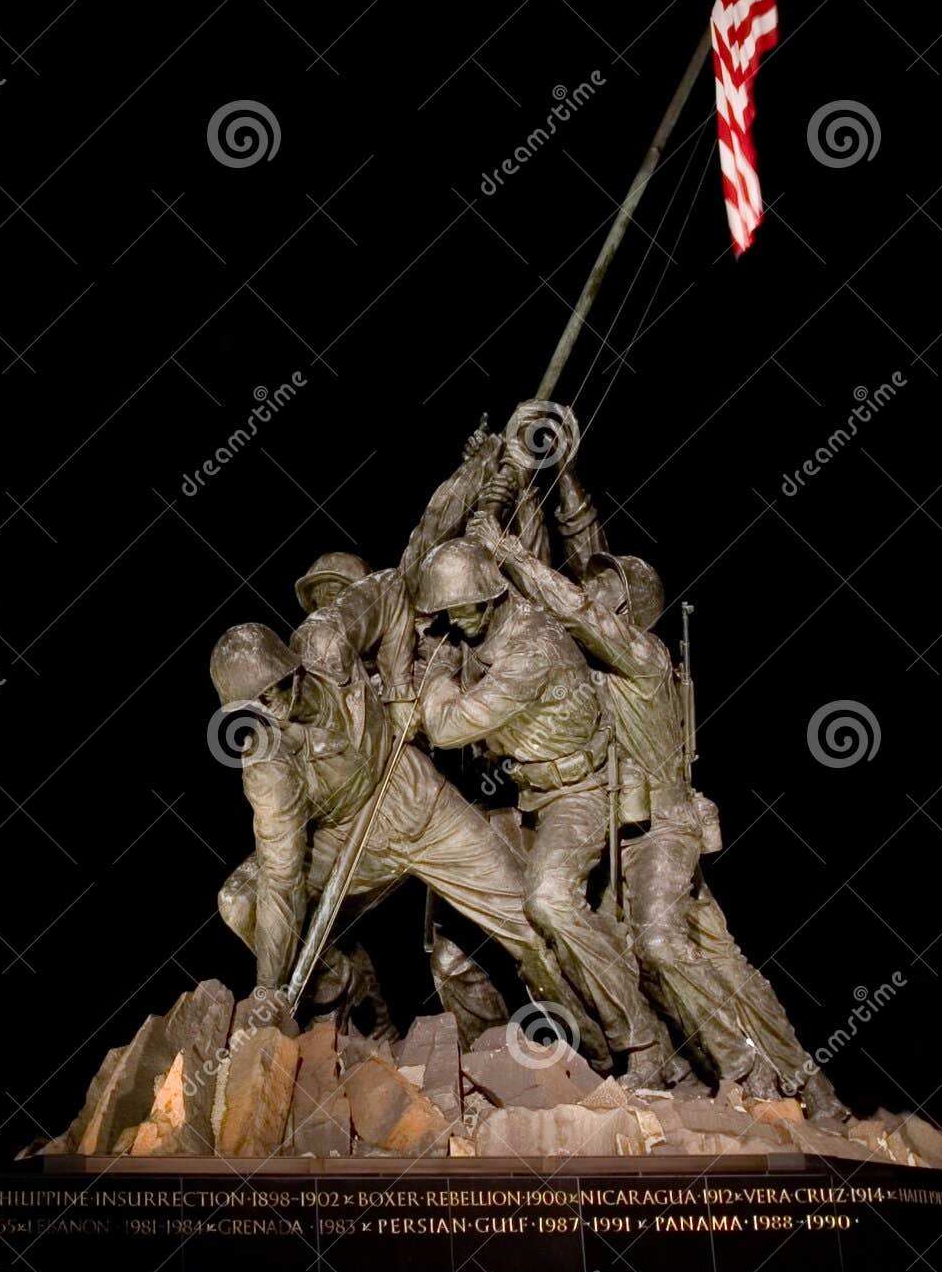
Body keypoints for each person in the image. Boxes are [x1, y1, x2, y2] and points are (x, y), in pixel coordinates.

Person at [468, 412, 847, 1118]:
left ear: (626, 610)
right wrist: (551, 471)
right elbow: (580, 561)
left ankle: (754, 1074)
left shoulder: (641, 657)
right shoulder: (600, 655)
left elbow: (574, 602)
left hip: (660, 829)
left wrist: (512, 556)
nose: (593, 590)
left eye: (607, 592)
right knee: (714, 959)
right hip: (621, 828)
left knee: (664, 944)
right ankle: (804, 1084)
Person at [208, 614, 606, 1058]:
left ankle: (596, 1048)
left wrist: (397, 688)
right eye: (255, 705)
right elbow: (282, 875)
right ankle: (336, 985)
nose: (270, 707)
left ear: (294, 669)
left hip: (421, 805)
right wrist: (268, 990)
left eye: (274, 689)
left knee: (528, 925)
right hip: (349, 841)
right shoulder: (267, 764)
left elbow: (391, 594)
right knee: (241, 900)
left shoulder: (326, 642)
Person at [412, 536, 679, 1087]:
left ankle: (646, 1044)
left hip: (577, 793)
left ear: (492, 598)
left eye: (462, 609)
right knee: (464, 914)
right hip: (524, 795)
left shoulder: (533, 647)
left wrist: (431, 675)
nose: (454, 622)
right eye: (445, 613)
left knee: (551, 899)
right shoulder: (485, 632)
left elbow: (447, 726)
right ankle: (538, 1049)